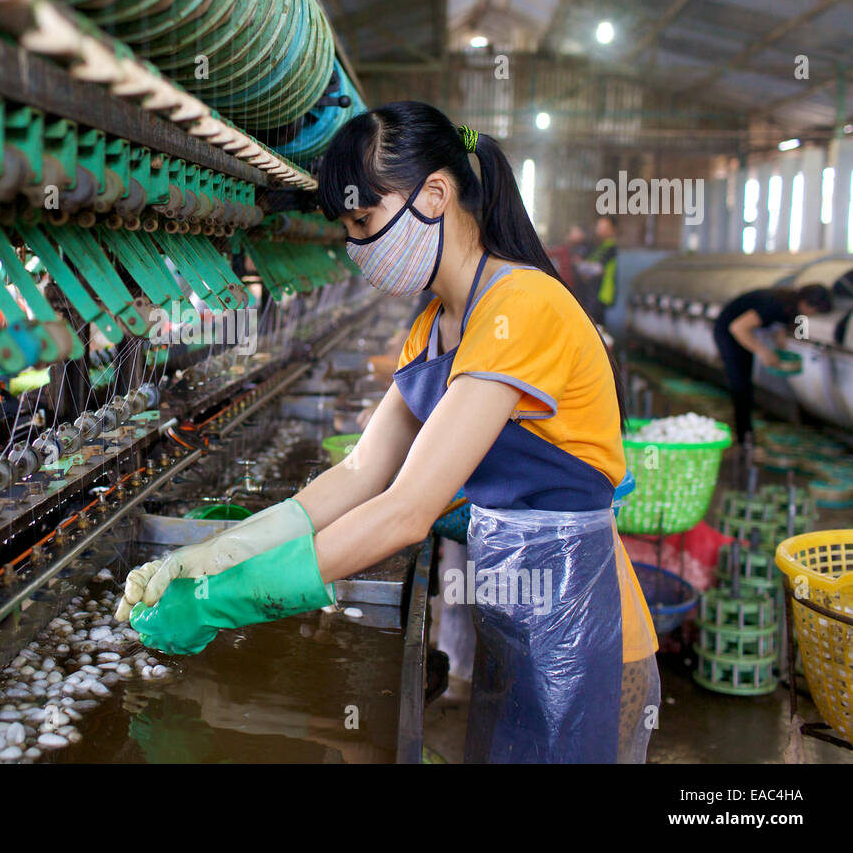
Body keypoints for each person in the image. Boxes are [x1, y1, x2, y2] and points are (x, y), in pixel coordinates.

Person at [116, 101, 660, 763]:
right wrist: (218, 553)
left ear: (434, 194)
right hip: (514, 607)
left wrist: (222, 601)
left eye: (364, 221)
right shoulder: (432, 327)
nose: (357, 247)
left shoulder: (522, 309)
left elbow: (406, 511)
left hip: (580, 623)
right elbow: (359, 473)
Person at [713, 284, 832, 444]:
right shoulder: (774, 304)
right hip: (728, 331)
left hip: (741, 331)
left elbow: (779, 328)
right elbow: (737, 327)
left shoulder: (790, 307)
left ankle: (746, 435)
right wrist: (763, 352)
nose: (812, 315)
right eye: (814, 311)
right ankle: (744, 438)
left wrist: (781, 349)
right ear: (805, 304)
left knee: (745, 382)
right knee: (740, 384)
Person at [575, 215, 617, 324]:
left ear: (613, 230)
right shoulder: (598, 247)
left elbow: (597, 268)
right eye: (599, 226)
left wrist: (580, 265)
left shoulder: (610, 247)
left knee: (596, 325)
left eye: (604, 227)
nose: (600, 230)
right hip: (592, 292)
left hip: (601, 292)